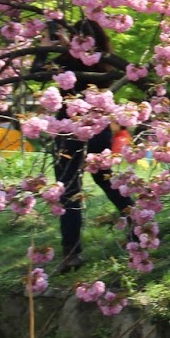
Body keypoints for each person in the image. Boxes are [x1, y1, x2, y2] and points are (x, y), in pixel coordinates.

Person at [47, 20, 133, 272]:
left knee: (68, 188)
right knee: (105, 179)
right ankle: (138, 222)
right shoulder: (104, 60)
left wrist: (46, 46)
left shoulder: (65, 61)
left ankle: (72, 253)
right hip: (98, 127)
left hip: (68, 128)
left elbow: (39, 69)